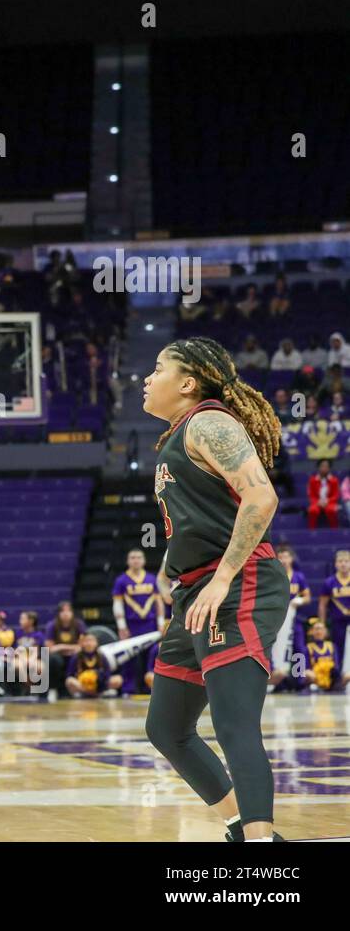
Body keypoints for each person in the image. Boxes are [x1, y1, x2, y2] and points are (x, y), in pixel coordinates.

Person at [143, 335, 288, 841]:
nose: (147, 377)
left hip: (238, 584)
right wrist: (174, 563)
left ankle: (261, 845)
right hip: (196, 593)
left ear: (187, 382)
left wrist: (221, 576)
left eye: (157, 369)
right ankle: (237, 825)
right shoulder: (180, 434)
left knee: (233, 723)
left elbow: (260, 497)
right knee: (166, 727)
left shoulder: (209, 420)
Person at [112, 548, 165, 694]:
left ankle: (151, 687)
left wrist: (160, 623)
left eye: (139, 557)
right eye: (132, 557)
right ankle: (128, 689)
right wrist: (121, 626)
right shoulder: (121, 580)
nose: (136, 560)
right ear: (128, 561)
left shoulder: (152, 579)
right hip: (131, 625)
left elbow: (159, 603)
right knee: (129, 658)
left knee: (152, 656)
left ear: (144, 560)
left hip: (150, 624)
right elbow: (117, 604)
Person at [269, 545, 313, 691]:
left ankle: (299, 680)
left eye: (286, 557)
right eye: (280, 557)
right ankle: (278, 681)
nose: (283, 560)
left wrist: (298, 601)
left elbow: (307, 597)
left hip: (295, 620)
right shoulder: (273, 575)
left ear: (291, 558)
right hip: (277, 619)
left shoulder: (298, 576)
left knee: (299, 649)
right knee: (276, 648)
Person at [316, 549, 350, 665]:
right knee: (338, 651)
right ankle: (338, 678)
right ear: (336, 564)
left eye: (346, 561)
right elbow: (322, 605)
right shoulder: (329, 582)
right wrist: (322, 624)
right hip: (337, 623)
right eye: (340, 561)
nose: (343, 564)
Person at [65, 632, 121, 698]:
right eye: (86, 641)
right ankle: (93, 693)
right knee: (69, 681)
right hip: (83, 684)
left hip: (99, 685)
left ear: (96, 643)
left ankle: (96, 692)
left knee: (118, 679)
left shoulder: (101, 656)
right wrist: (84, 678)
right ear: (82, 643)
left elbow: (107, 673)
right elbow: (69, 674)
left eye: (91, 640)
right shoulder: (77, 657)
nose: (89, 643)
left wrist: (98, 677)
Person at [307, 460, 339, 529]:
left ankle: (335, 531)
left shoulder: (334, 480)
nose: (324, 468)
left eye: (326, 466)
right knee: (312, 510)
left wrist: (327, 501)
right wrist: (318, 502)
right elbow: (311, 495)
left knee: (331, 510)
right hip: (317, 502)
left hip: (330, 502)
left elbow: (336, 495)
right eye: (322, 466)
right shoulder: (312, 480)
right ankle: (311, 532)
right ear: (318, 467)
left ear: (329, 468)